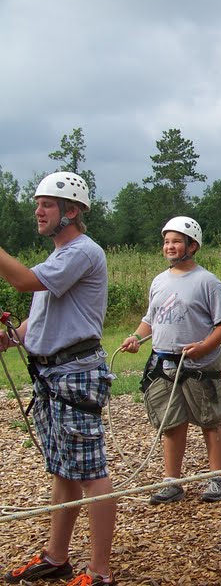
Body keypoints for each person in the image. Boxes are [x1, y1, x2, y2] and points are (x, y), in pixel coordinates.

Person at [0, 172, 116, 585]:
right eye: (38, 203)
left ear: (73, 211)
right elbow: (43, 313)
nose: (38, 211)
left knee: (90, 473)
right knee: (64, 470)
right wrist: (12, 338)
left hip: (74, 376)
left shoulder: (82, 252)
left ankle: (99, 572)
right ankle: (57, 556)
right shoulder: (58, 258)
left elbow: (24, 280)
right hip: (53, 377)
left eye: (47, 204)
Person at [120, 216, 221, 504]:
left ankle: (217, 479)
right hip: (164, 365)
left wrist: (203, 347)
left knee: (211, 420)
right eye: (166, 242)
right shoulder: (159, 281)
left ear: (192, 246)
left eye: (175, 241)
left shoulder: (207, 282)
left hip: (198, 365)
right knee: (170, 424)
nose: (169, 247)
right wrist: (136, 337)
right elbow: (151, 318)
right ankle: (173, 481)